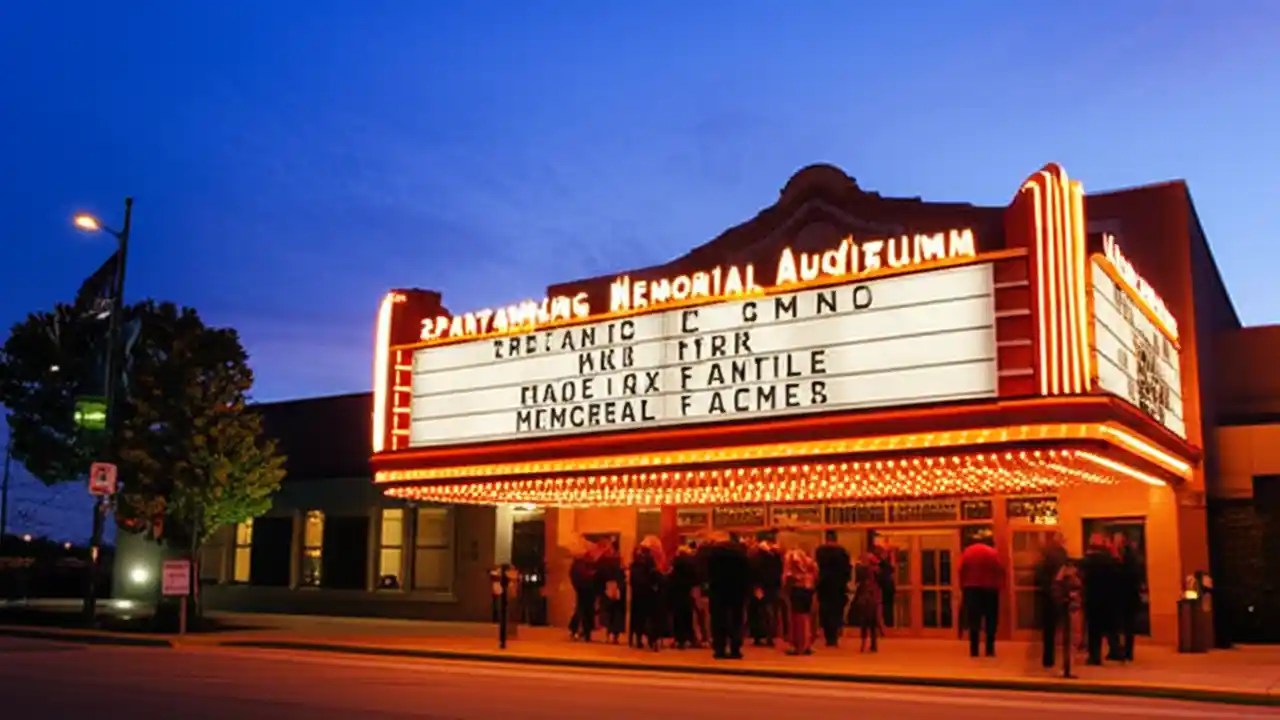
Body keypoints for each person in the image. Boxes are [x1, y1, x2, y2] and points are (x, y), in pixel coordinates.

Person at [705, 532, 751, 659]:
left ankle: (719, 648)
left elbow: (708, 572)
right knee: (737, 619)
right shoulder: (741, 554)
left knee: (718, 619)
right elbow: (747, 573)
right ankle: (735, 648)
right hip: (737, 590)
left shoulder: (713, 555)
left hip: (718, 590)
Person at [1080, 532, 1123, 664]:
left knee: (1094, 630)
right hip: (1109, 598)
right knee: (1111, 627)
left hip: (1093, 598)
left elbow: (1083, 577)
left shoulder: (1088, 560)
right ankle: (1116, 651)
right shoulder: (1109, 559)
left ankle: (1095, 656)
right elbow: (1118, 575)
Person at [959, 534, 1002, 658]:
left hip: (971, 588)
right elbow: (999, 569)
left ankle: (974, 650)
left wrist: (962, 586)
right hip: (990, 589)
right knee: (991, 620)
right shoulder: (992, 553)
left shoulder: (968, 552)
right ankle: (989, 649)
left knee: (974, 621)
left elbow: (961, 569)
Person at [1035, 532, 1069, 668]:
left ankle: (1048, 658)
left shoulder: (1045, 555)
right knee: (1060, 626)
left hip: (1047, 594)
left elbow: (1039, 575)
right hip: (1058, 593)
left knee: (1048, 629)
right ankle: (1061, 659)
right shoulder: (1061, 554)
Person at [814, 530, 852, 647]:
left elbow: (817, 568)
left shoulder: (820, 552)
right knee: (836, 611)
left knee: (825, 611)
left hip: (824, 586)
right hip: (838, 587)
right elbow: (847, 570)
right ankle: (834, 637)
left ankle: (827, 636)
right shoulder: (842, 552)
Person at [784, 547, 818, 656]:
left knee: (796, 618)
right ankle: (807, 644)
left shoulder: (792, 560)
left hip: (797, 590)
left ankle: (798, 645)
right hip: (808, 590)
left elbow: (787, 577)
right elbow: (816, 575)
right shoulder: (811, 563)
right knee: (807, 618)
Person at [1113, 532, 1141, 661]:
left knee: (1127, 625)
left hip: (1126, 595)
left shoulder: (1127, 557)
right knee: (1125, 625)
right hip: (1125, 595)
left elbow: (1128, 575)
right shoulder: (1128, 555)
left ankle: (1127, 652)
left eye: (1117, 540)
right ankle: (1124, 650)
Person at [629, 541, 662, 650]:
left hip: (638, 596)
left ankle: (639, 639)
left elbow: (633, 581)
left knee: (639, 618)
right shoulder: (650, 562)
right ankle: (651, 639)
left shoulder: (634, 565)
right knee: (650, 618)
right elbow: (654, 578)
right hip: (648, 594)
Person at [849, 552, 882, 652]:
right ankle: (873, 644)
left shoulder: (861, 569)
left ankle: (864, 644)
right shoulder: (875, 570)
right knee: (872, 621)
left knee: (865, 621)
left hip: (865, 597)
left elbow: (858, 581)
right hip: (873, 596)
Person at [595, 541, 626, 644]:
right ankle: (614, 635)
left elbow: (599, 575)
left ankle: (609, 634)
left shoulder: (603, 561)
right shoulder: (618, 562)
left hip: (606, 588)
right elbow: (622, 575)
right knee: (615, 612)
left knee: (608, 612)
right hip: (616, 588)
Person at [668, 544, 699, 649]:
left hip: (676, 594)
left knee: (678, 617)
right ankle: (690, 638)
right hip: (687, 592)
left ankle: (679, 639)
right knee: (688, 617)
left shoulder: (675, 564)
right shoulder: (691, 564)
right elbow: (695, 578)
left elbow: (670, 579)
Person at [569, 543, 598, 642]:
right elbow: (581, 576)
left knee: (583, 611)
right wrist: (591, 575)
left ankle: (581, 631)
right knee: (584, 611)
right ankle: (582, 631)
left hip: (584, 590)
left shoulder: (580, 564)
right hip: (585, 589)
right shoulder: (581, 564)